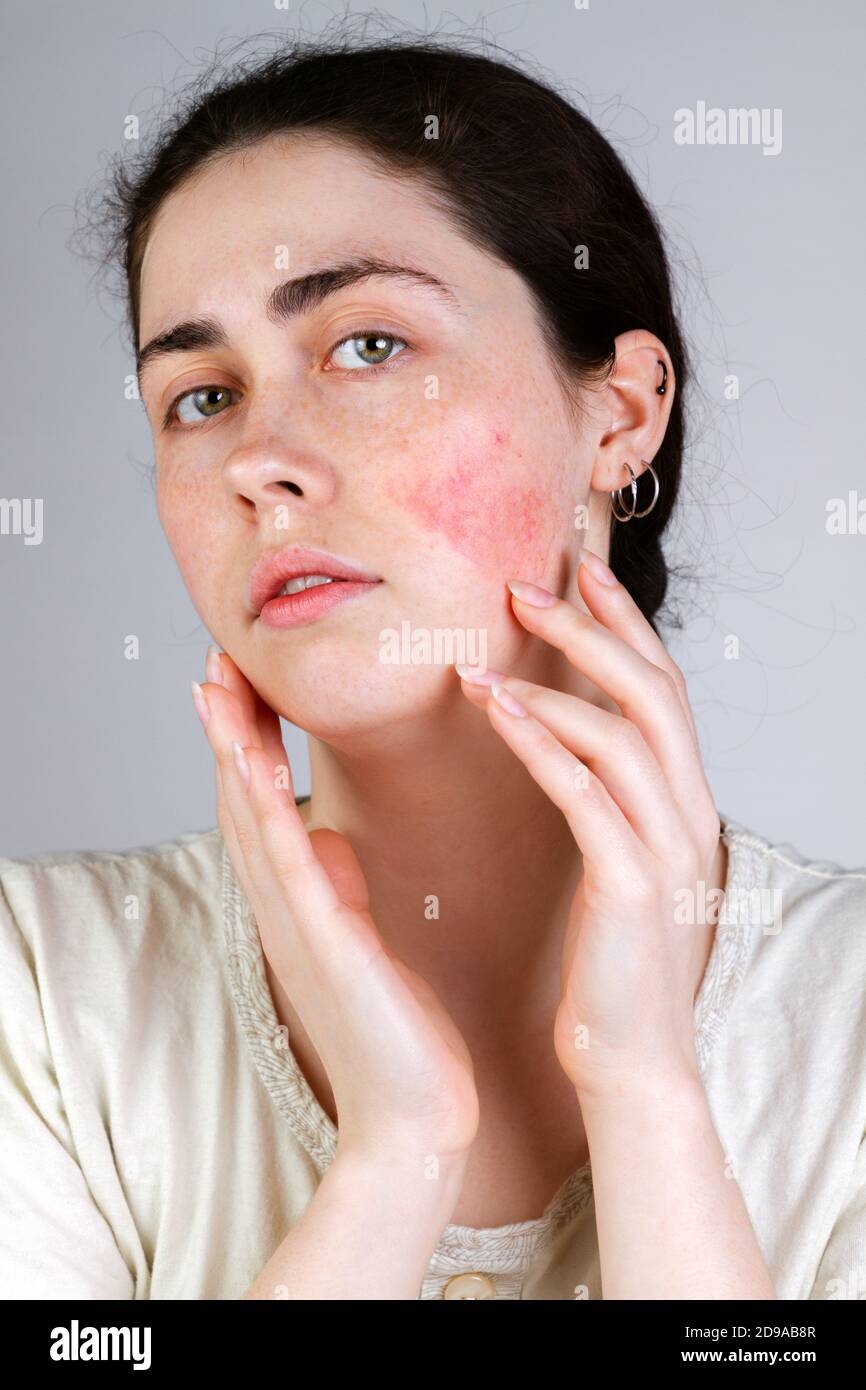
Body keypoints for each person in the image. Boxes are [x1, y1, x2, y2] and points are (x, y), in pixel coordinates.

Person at [2, 33, 865, 1302]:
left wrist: (643, 1091)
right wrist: (391, 1156)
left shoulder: (842, 1023)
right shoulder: (43, 990)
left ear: (619, 414)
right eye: (199, 394)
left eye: (365, 345)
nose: (258, 458)